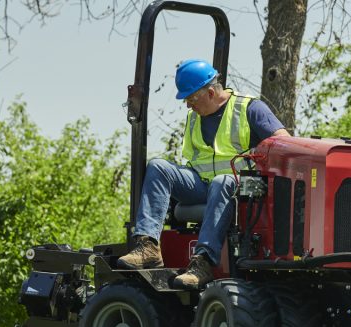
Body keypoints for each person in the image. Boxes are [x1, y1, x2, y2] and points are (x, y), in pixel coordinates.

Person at [116, 59, 290, 289]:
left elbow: (284, 143)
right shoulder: (194, 118)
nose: (188, 106)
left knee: (221, 181)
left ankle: (203, 262)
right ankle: (148, 246)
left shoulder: (250, 109)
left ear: (210, 92)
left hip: (240, 188)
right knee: (158, 166)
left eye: (191, 99)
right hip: (201, 184)